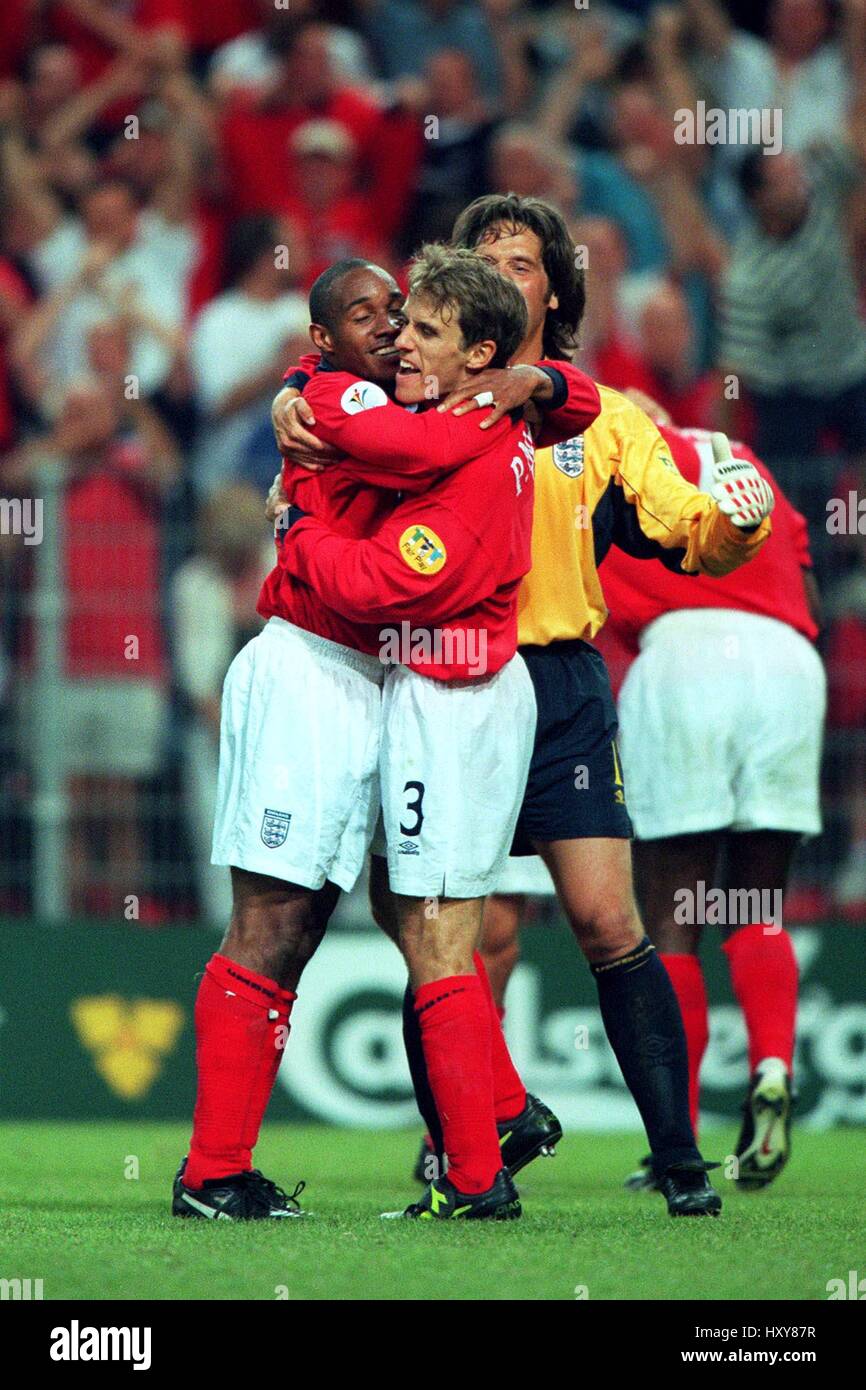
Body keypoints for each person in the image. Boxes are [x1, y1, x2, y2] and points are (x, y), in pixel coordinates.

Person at [272, 193, 775, 1217]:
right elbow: (346, 375)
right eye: (484, 256)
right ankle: (465, 1151)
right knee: (444, 928)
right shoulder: (424, 395)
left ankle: (678, 1165)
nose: (503, 271)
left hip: (555, 681)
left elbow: (685, 526)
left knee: (603, 919)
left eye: (524, 260)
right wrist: (293, 386)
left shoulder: (601, 413)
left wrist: (733, 528)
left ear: (552, 287)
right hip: (431, 673)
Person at [174, 250, 599, 1221]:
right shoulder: (340, 400)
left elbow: (573, 404)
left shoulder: (434, 406)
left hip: (399, 680)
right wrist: (481, 419)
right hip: (313, 668)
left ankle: (493, 1120)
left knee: (399, 912)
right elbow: (410, 459)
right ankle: (211, 1170)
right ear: (320, 341)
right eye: (367, 316)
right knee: (281, 917)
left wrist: (523, 387)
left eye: (402, 314)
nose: (391, 328)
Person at [600, 421, 825, 1193]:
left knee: (674, 920)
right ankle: (772, 1065)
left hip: (687, 655)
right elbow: (807, 577)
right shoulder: (743, 454)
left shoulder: (605, 447)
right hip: (788, 662)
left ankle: (680, 1142)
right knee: (758, 903)